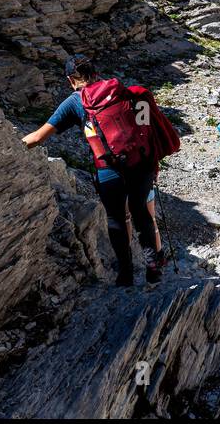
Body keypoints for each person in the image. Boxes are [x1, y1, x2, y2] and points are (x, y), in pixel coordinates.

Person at [22, 53, 166, 287]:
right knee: (142, 213)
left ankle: (125, 274)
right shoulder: (122, 91)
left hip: (108, 169)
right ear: (96, 73)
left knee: (116, 218)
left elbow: (38, 137)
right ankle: (153, 269)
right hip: (141, 165)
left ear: (71, 79)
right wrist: (152, 164)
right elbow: (145, 130)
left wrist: (8, 144)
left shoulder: (75, 101)